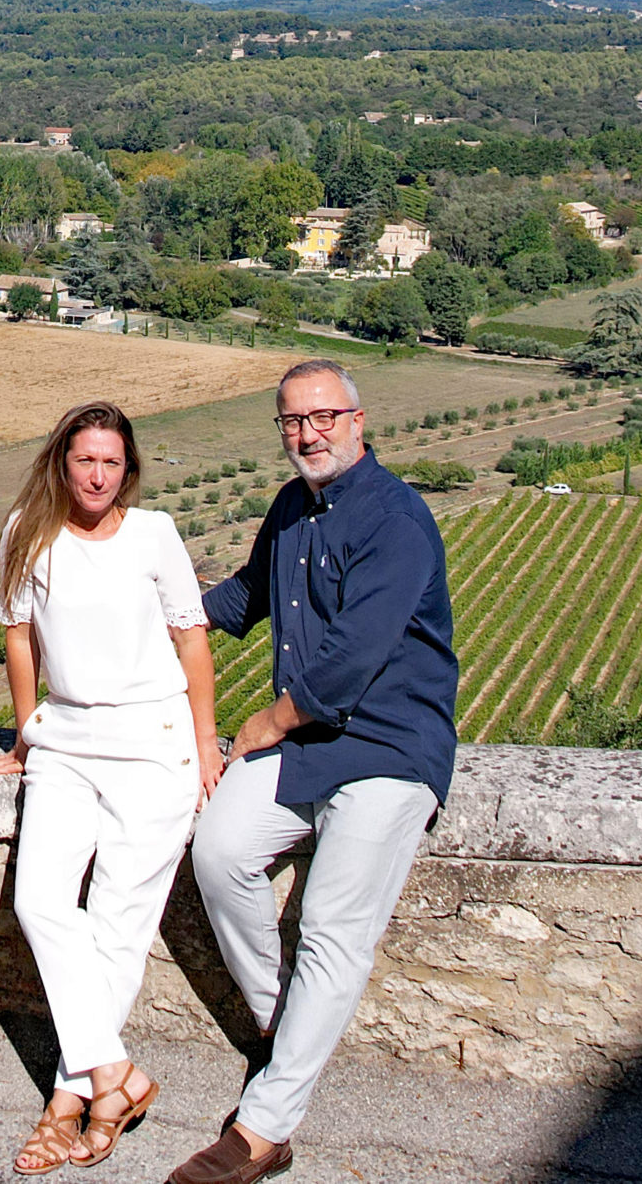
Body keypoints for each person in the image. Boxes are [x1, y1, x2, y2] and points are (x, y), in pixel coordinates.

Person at [167, 360, 458, 1184]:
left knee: (332, 925)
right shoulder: (292, 507)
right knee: (219, 851)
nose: (309, 432)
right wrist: (161, 622)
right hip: (311, 746)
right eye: (294, 420)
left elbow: (350, 661)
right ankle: (281, 1023)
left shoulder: (397, 518)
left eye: (324, 415)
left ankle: (264, 1126)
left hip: (390, 748)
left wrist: (261, 723)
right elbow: (245, 596)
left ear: (358, 420)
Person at [0, 400, 222, 1173]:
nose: (96, 473)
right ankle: (114, 1075)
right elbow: (18, 639)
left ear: (129, 469)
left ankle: (73, 1097)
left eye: (110, 462)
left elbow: (192, 639)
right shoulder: (29, 529)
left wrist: (204, 744)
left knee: (119, 922)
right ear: (63, 460)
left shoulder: (154, 534)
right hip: (68, 741)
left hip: (154, 742)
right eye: (84, 458)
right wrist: (25, 732)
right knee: (41, 899)